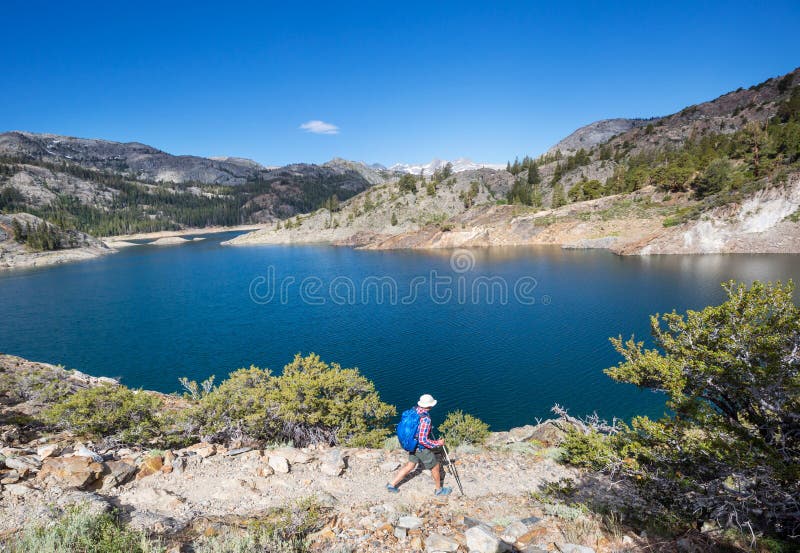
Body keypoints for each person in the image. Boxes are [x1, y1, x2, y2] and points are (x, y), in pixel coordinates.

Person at [386, 394, 452, 496]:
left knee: (410, 465)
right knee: (435, 466)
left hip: (411, 445)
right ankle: (439, 490)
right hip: (420, 448)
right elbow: (423, 440)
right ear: (430, 406)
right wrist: (437, 443)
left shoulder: (413, 411)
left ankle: (391, 485)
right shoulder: (425, 419)